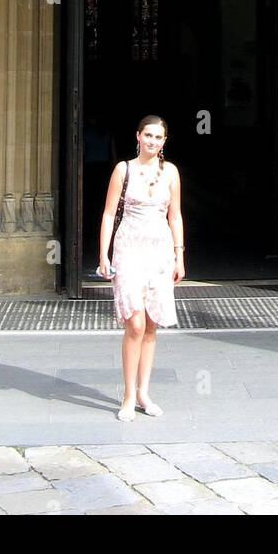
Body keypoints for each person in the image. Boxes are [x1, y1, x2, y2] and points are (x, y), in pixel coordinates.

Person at [98, 115, 184, 421]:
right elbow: (109, 214)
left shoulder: (171, 172)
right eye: (148, 135)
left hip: (159, 251)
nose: (152, 141)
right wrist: (103, 255)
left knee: (150, 325)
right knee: (133, 323)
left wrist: (180, 255)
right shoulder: (124, 169)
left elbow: (175, 216)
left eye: (158, 137)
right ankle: (128, 395)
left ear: (164, 141)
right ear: (137, 136)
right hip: (129, 249)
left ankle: (144, 393)